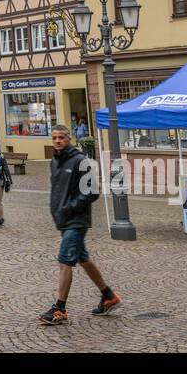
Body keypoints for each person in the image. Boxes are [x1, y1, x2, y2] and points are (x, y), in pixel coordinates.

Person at [39, 125, 119, 325]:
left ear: (69, 138)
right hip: (64, 220)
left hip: (77, 220)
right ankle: (109, 296)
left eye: (61, 137)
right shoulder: (55, 161)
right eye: (55, 137)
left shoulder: (80, 161)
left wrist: (69, 207)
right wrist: (58, 211)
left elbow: (92, 192)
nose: (58, 141)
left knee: (65, 261)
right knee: (83, 259)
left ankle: (60, 309)